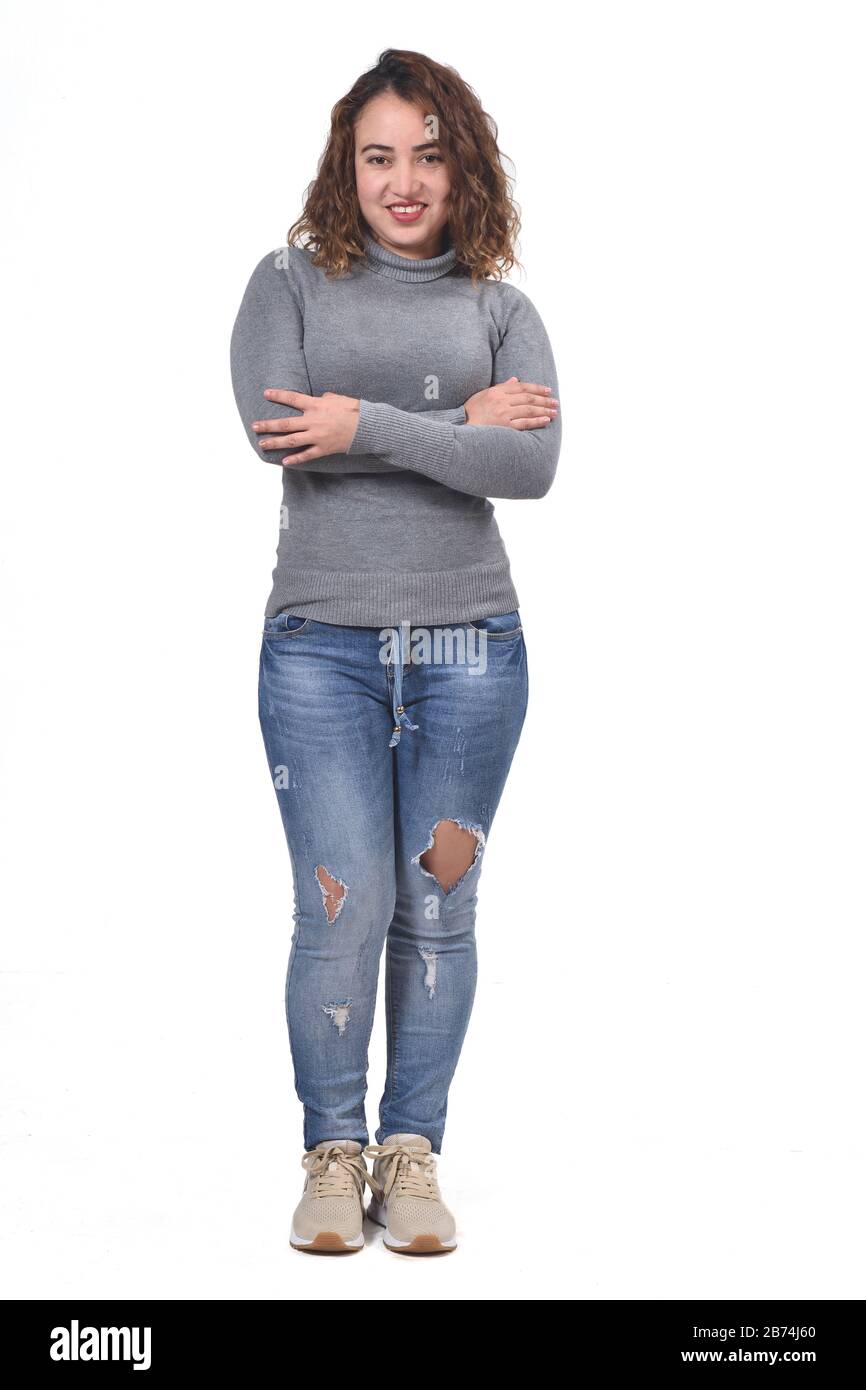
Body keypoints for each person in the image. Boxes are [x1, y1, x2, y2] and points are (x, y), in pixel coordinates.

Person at [230, 48, 561, 1256]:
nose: (403, 180)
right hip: (319, 646)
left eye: (427, 153)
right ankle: (332, 1150)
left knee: (437, 906)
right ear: (347, 165)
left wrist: (358, 419)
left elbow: (527, 466)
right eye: (379, 156)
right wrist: (445, 424)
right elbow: (279, 433)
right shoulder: (287, 282)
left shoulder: (498, 305)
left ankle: (409, 1152)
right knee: (343, 907)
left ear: (458, 162)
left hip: (470, 645)